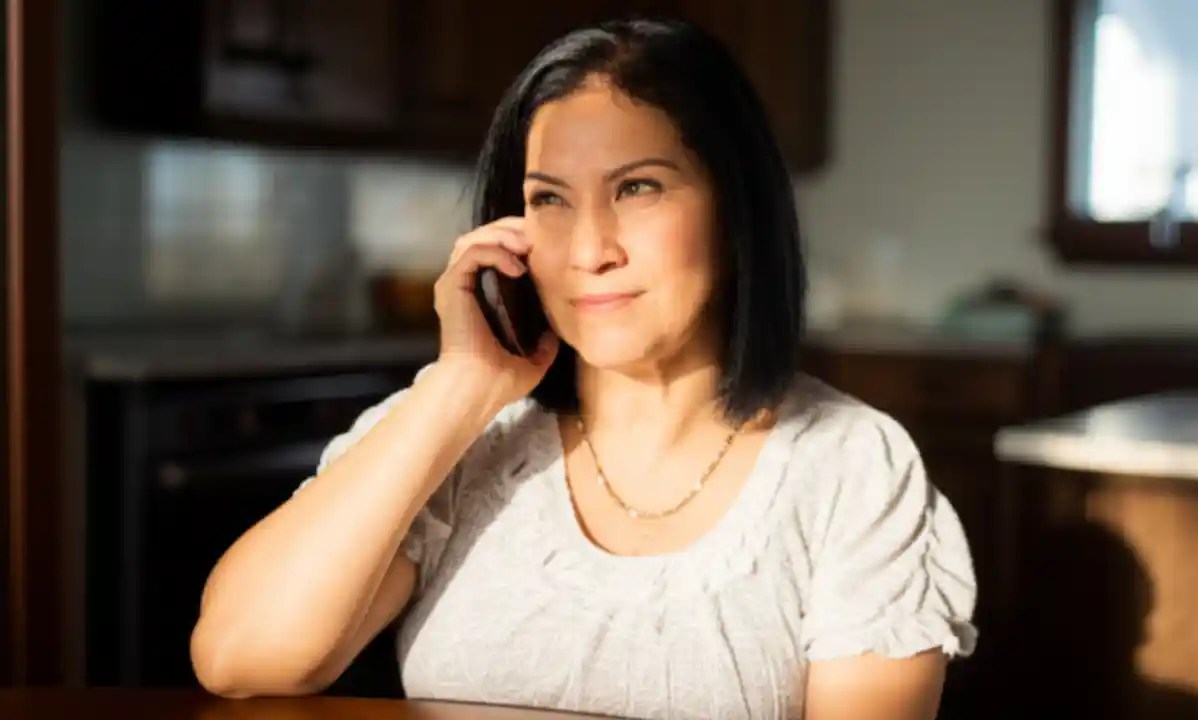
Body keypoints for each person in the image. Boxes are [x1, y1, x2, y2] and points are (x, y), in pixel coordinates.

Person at [190, 17, 977, 720]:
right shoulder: (456, 440)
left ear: (735, 212)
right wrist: (460, 387)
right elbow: (240, 660)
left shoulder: (853, 468)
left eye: (638, 188)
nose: (589, 249)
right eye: (549, 200)